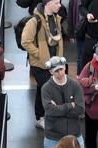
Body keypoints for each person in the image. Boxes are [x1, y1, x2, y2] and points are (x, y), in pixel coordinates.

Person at [22, 0, 66, 129]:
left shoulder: (56, 18)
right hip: (40, 64)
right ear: (48, 4)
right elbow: (25, 41)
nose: (60, 5)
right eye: (57, 3)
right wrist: (39, 54)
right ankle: (42, 117)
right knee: (48, 88)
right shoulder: (34, 21)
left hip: (54, 61)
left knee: (43, 89)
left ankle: (43, 117)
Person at [41, 57, 86, 148]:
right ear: (51, 72)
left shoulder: (75, 85)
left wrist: (58, 109)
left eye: (61, 69)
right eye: (56, 71)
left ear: (65, 68)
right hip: (53, 137)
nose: (60, 73)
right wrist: (70, 105)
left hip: (74, 134)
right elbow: (50, 111)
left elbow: (80, 109)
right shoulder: (46, 88)